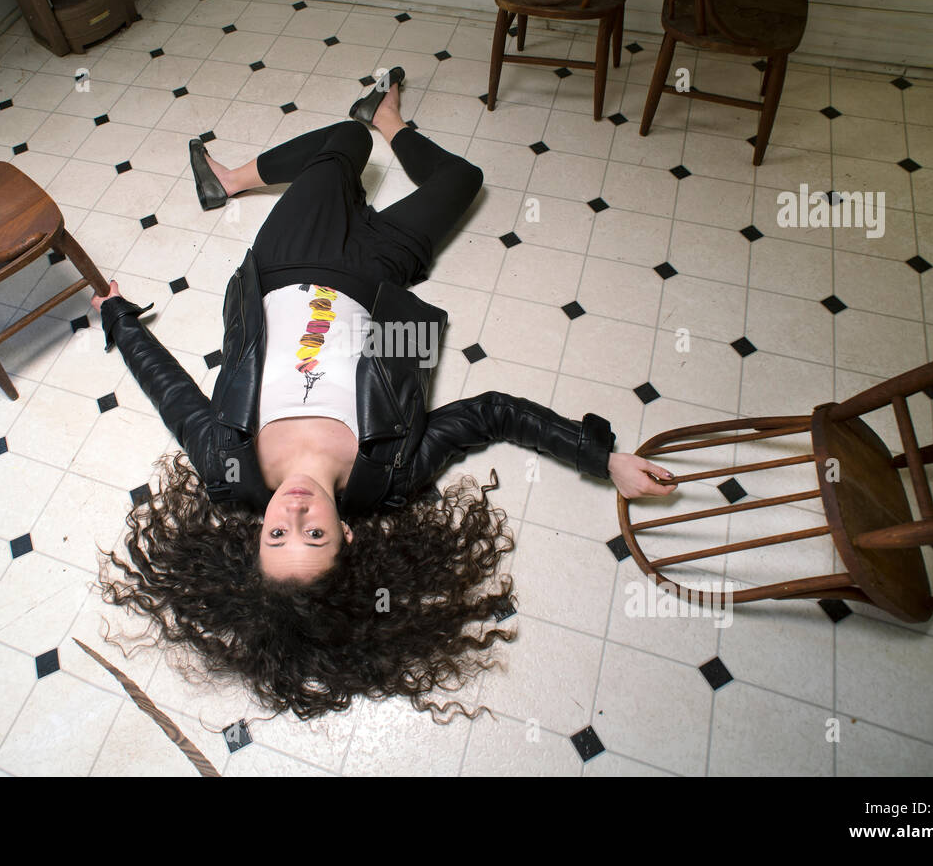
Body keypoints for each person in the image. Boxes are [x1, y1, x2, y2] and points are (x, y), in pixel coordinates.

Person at [92, 67, 676, 720]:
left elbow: (170, 389)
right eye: (312, 534)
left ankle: (229, 179)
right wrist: (604, 459)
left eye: (277, 533)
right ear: (345, 534)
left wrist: (118, 319)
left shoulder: (227, 466)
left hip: (287, 259)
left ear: (255, 537)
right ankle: (386, 116)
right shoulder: (392, 473)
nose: (294, 513)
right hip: (376, 281)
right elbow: (495, 413)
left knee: (344, 143)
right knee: (463, 181)